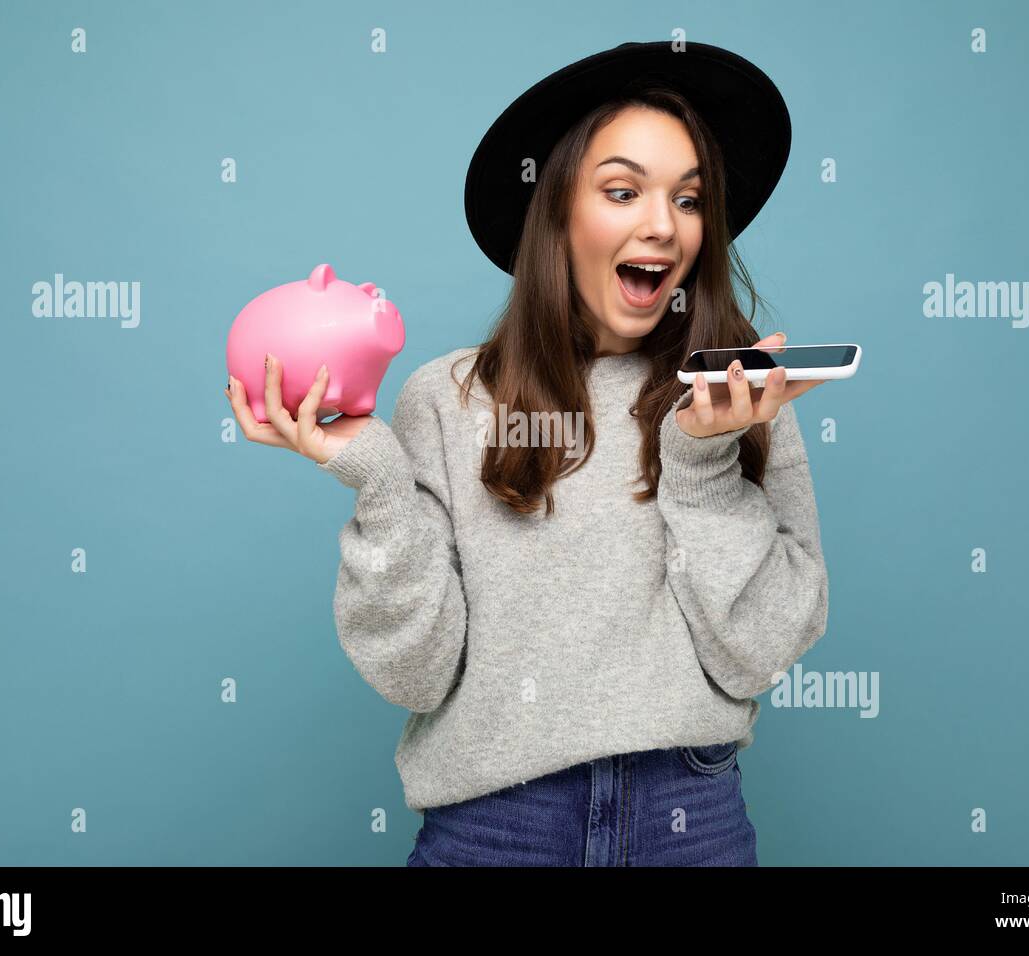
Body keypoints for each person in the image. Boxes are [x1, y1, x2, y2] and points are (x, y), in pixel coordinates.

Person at [224, 41, 829, 866]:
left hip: (689, 820)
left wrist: (704, 463)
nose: (663, 225)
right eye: (623, 191)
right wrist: (378, 479)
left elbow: (760, 651)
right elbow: (416, 677)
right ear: (558, 215)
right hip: (496, 829)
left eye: (688, 199)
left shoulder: (733, 398)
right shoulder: (447, 400)